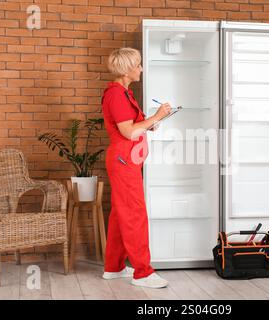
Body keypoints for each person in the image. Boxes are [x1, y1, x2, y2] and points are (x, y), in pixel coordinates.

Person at [101, 47, 171, 288]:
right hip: (123, 161)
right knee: (134, 214)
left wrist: (150, 123)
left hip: (127, 160)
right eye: (138, 64)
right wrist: (157, 116)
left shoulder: (124, 93)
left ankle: (114, 268)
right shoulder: (117, 95)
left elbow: (134, 126)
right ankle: (143, 273)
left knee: (122, 213)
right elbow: (128, 132)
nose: (141, 68)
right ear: (126, 69)